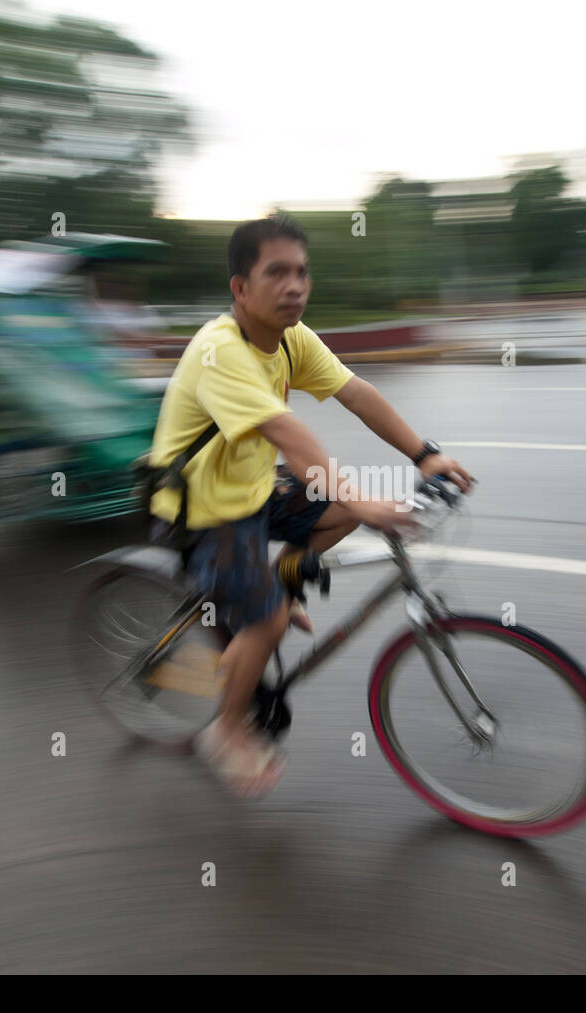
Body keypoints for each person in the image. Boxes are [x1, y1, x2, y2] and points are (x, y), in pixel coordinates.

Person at [146, 214, 474, 798]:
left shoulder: (292, 339)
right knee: (271, 615)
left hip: (251, 489)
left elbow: (357, 394)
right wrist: (365, 500)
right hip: (200, 510)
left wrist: (425, 455)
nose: (295, 285)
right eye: (277, 273)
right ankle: (225, 730)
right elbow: (292, 438)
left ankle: (278, 587)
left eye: (302, 272)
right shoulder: (221, 352)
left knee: (338, 514)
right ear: (240, 288)